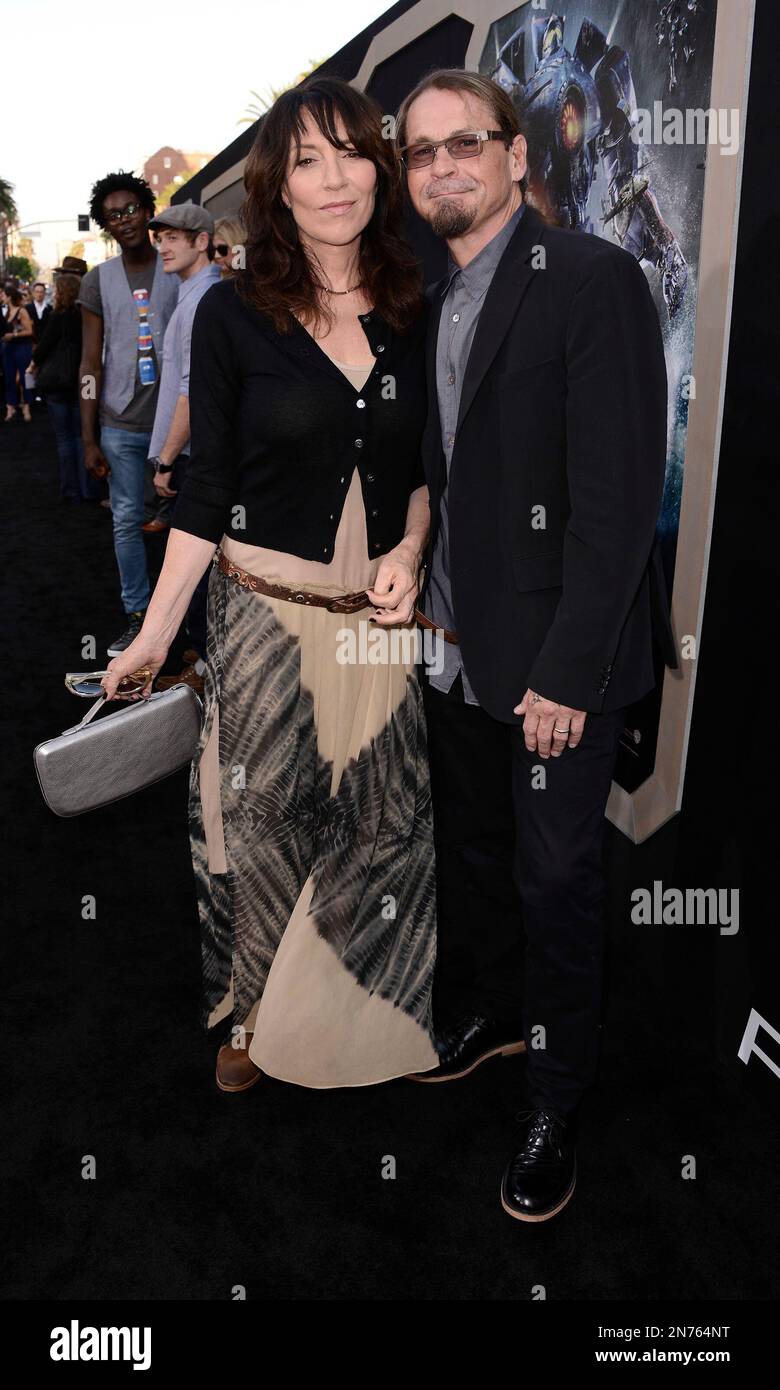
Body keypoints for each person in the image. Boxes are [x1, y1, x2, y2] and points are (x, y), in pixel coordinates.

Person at [101, 77, 439, 1092]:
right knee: (258, 820)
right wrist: (155, 636)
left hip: (373, 628)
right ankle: (250, 1012)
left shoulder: (417, 301)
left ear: (380, 168)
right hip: (262, 618)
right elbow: (205, 493)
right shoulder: (238, 317)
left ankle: (359, 1013)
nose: (334, 178)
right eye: (306, 160)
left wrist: (412, 548)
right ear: (276, 188)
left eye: (351, 152)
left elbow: (423, 466)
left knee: (383, 826)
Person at [398, 69, 677, 1221]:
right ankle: (504, 1016)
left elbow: (616, 503)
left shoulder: (593, 278)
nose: (442, 167)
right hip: (459, 644)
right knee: (476, 853)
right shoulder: (440, 299)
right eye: (419, 153)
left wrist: (567, 670)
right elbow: (447, 467)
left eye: (466, 143)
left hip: (559, 665)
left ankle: (557, 1095)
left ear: (517, 154)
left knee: (558, 877)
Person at [77, 171, 179, 656]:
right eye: (114, 215)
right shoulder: (98, 281)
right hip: (119, 424)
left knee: (183, 523)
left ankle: (183, 617)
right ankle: (139, 616)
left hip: (175, 426)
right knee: (125, 521)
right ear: (106, 225)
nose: (125, 220)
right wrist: (89, 437)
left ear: (147, 208)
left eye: (132, 209)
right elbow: (89, 361)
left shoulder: (176, 265)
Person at [142, 202, 221, 690]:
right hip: (194, 458)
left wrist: (167, 460)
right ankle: (200, 662)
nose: (165, 246)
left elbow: (193, 393)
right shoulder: (190, 295)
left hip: (194, 460)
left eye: (176, 237)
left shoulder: (202, 300)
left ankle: (203, 667)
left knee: (195, 571)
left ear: (202, 241)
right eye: (161, 238)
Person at [29, 271, 100, 502]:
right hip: (84, 382)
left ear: (61, 293)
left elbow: (43, 348)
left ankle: (71, 490)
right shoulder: (87, 316)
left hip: (57, 385)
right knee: (84, 436)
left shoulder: (57, 317)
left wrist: (34, 364)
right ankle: (88, 489)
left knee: (65, 438)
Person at [1, 287, 34, 421]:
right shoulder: (6, 312)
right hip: (8, 349)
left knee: (24, 378)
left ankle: (26, 407)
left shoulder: (22, 311)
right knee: (9, 378)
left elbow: (30, 331)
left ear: (10, 296)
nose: (2, 296)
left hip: (22, 348)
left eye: (3, 294)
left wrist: (14, 335)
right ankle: (11, 407)